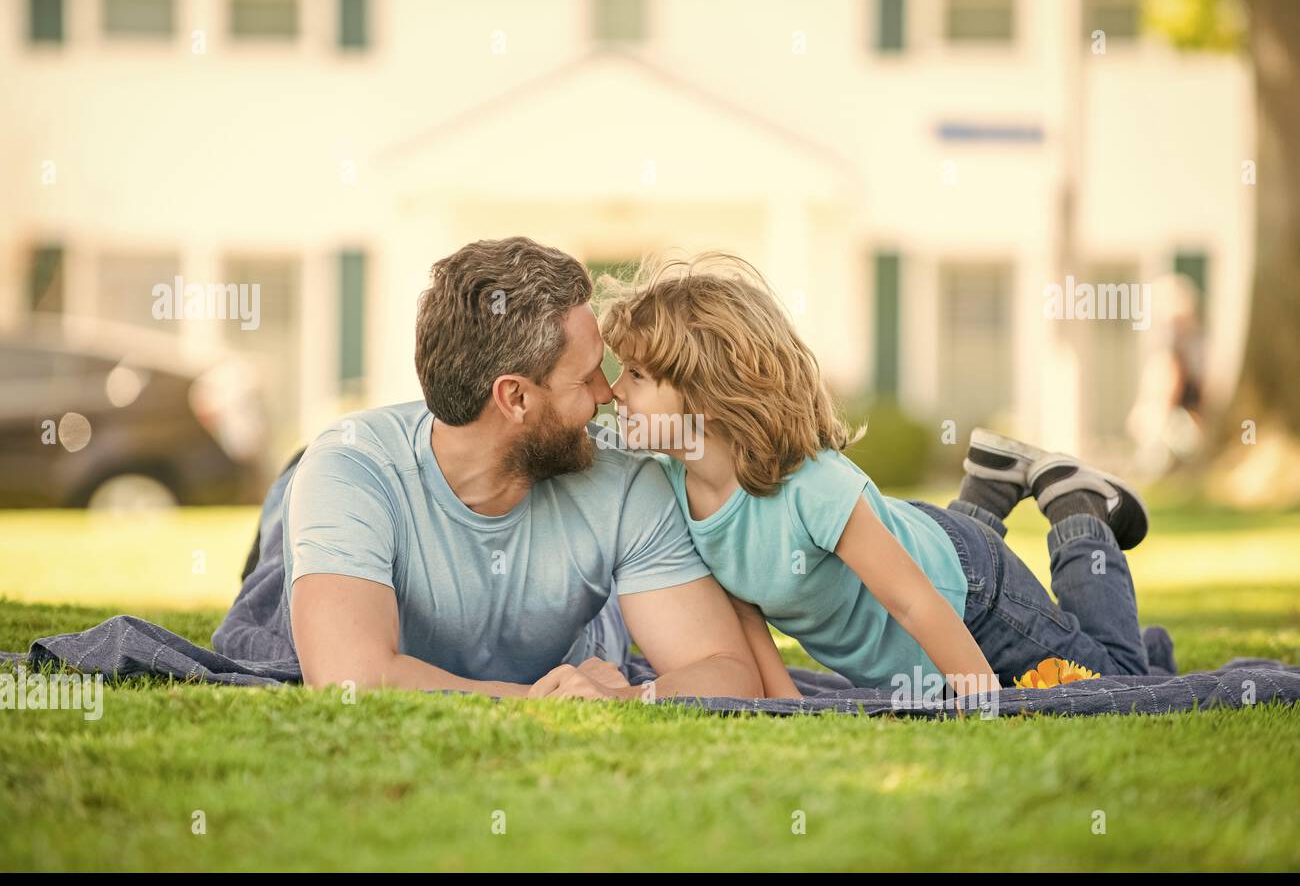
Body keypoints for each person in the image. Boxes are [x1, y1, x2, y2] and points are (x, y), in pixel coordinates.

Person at [597, 252, 1174, 699]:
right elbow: (742, 610)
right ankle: (990, 485)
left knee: (1113, 684)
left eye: (639, 375)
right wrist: (787, 706)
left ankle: (1077, 507)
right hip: (912, 550)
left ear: (710, 391)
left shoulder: (811, 488)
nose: (615, 389)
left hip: (970, 600)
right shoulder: (672, 487)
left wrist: (981, 701)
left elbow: (912, 603)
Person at [269, 237, 762, 700]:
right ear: (515, 397)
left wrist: (618, 696)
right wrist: (540, 701)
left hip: (592, 622)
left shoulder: (626, 480)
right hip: (328, 494)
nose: (607, 394)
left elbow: (729, 671)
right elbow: (347, 677)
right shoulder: (353, 471)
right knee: (285, 536)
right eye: (587, 377)